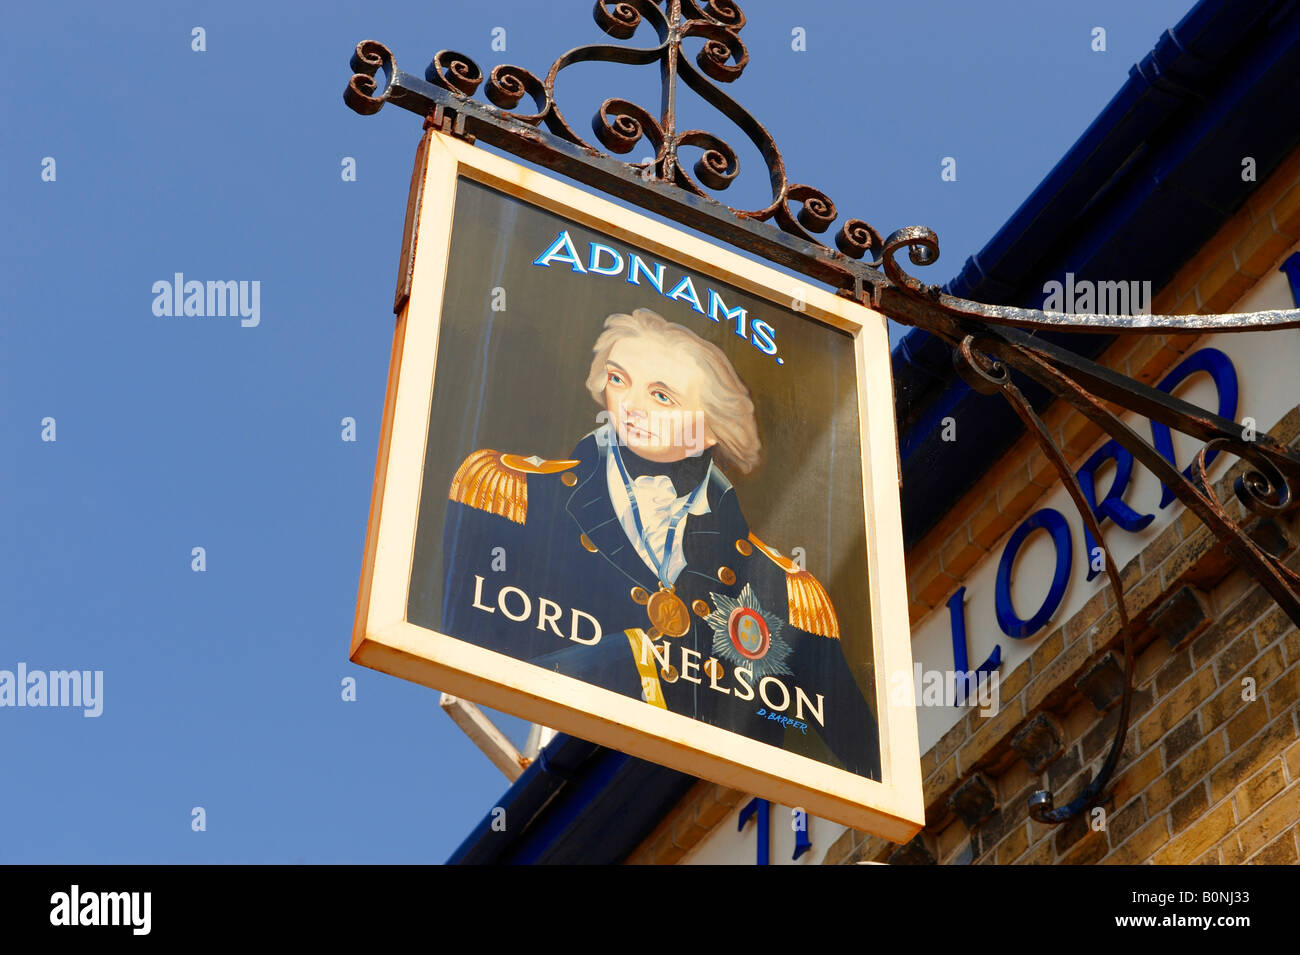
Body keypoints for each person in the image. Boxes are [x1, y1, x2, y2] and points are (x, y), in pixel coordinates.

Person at [439, 308, 880, 779]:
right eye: (618, 379)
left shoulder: (784, 590)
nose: (630, 405)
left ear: (713, 429)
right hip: (570, 780)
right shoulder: (514, 494)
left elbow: (864, 763)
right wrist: (622, 661)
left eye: (661, 395)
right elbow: (455, 661)